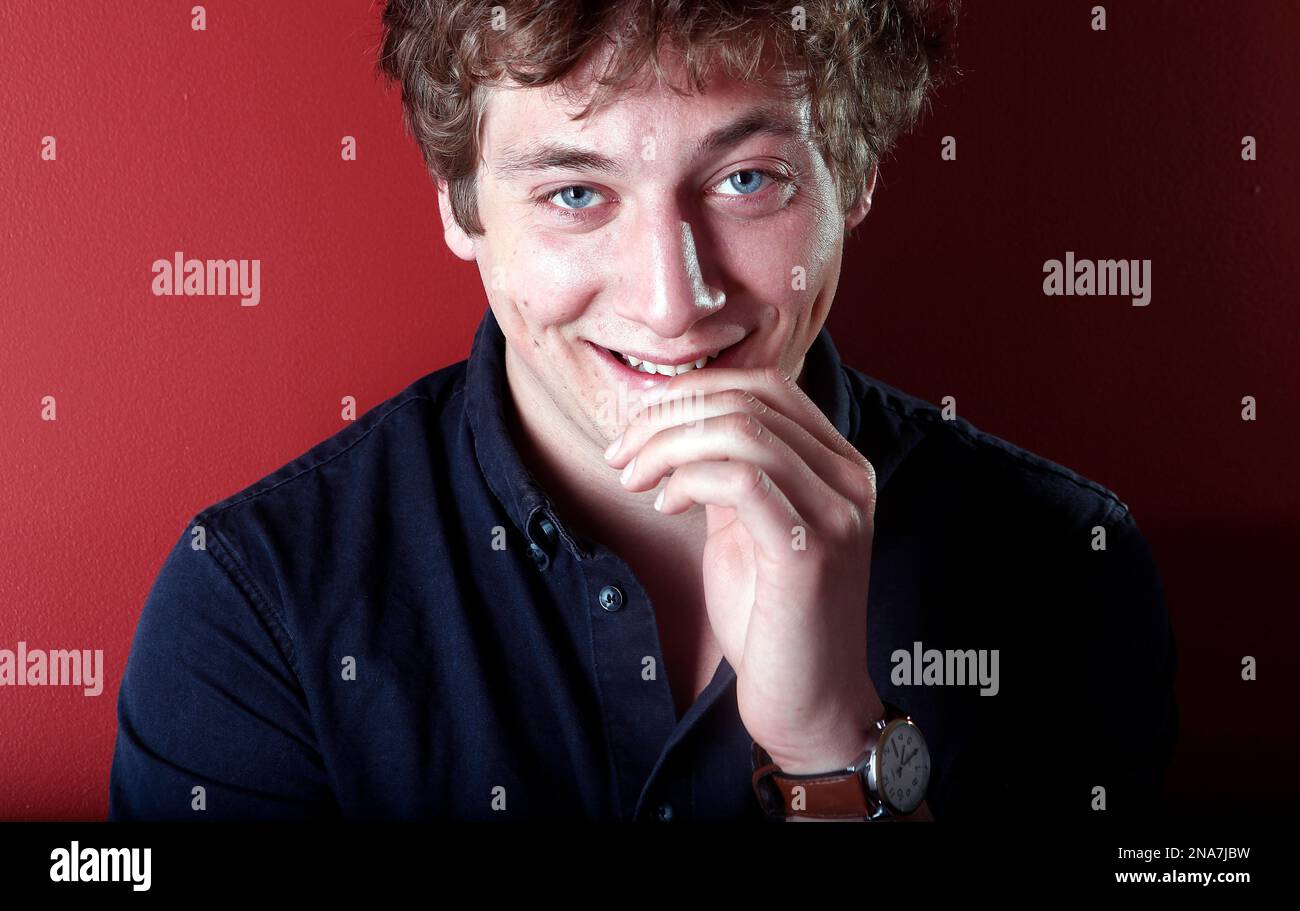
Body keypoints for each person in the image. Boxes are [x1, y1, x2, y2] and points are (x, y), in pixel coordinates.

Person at [109, 0, 1176, 822]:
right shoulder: (258, 607)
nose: (672, 302)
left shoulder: (1066, 565)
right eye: (575, 193)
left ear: (852, 176)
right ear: (459, 203)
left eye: (748, 180)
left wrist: (831, 747)